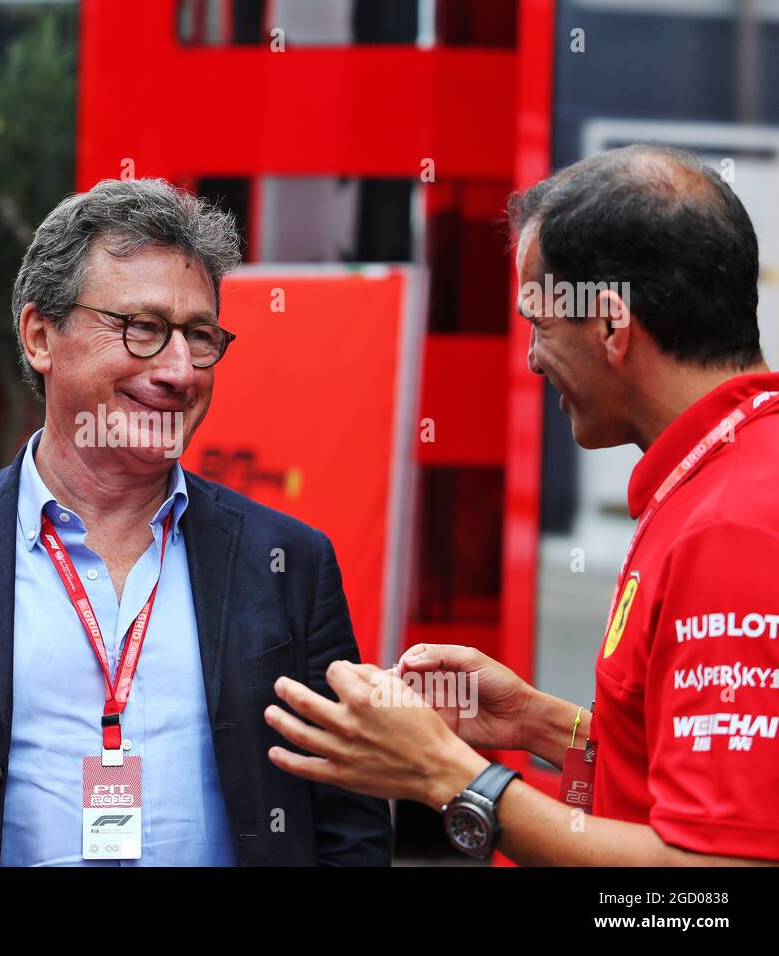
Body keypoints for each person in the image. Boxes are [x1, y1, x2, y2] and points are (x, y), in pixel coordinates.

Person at [266, 144, 779, 865]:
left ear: (611, 326)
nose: (533, 358)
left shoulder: (732, 523)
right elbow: (697, 782)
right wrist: (538, 723)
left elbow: (713, 881)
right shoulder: (728, 476)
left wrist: (447, 776)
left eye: (539, 322)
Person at [0, 178, 393, 866]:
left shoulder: (288, 563)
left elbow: (349, 822)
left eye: (200, 336)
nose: (179, 371)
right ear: (41, 336)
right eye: (144, 329)